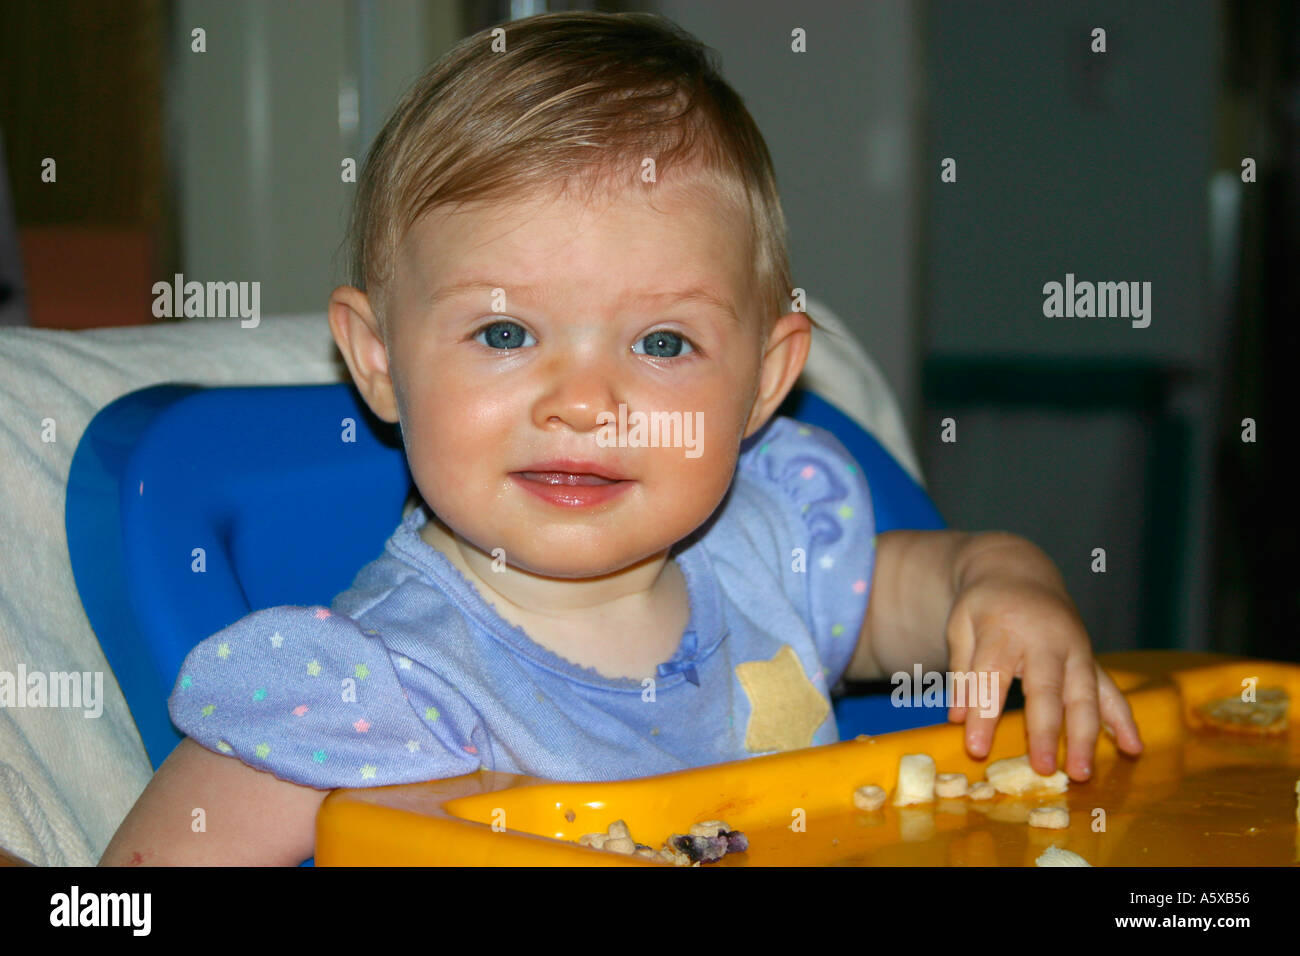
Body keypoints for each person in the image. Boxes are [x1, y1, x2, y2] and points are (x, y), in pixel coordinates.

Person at [101, 11, 1141, 866]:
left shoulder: (766, 551)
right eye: (505, 331)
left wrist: (1008, 582)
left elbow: (932, 589)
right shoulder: (368, 694)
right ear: (377, 358)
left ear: (765, 382)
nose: (585, 401)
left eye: (661, 339)